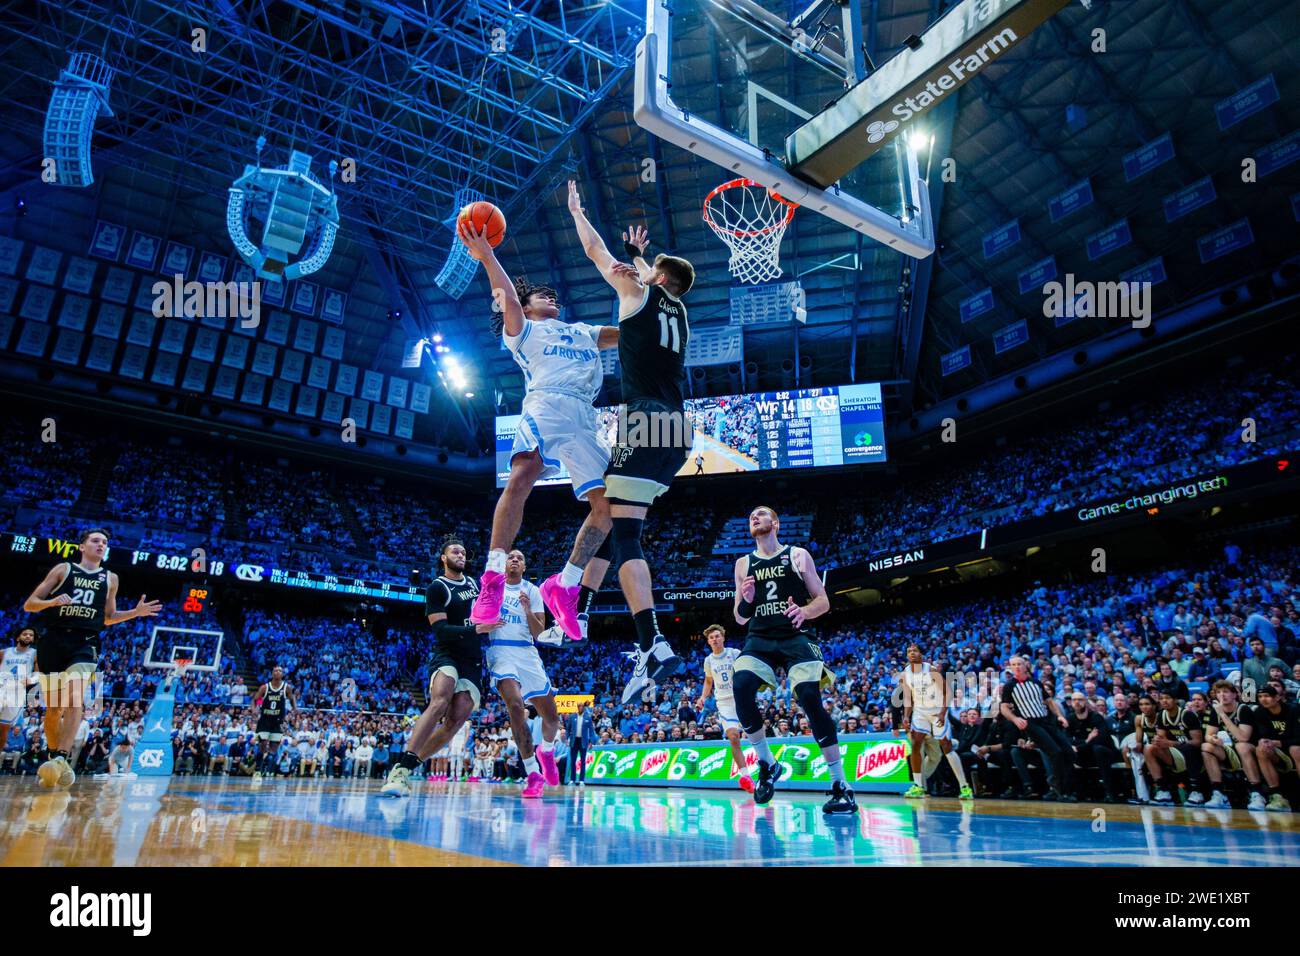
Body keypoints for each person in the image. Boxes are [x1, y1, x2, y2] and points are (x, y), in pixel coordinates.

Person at [457, 223, 618, 645]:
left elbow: (630, 333)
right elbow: (507, 296)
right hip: (546, 402)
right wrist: (488, 256)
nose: (552, 297)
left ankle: (565, 583)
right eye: (541, 295)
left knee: (609, 509)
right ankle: (493, 576)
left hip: (585, 415)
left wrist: (653, 293)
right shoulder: (524, 332)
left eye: (554, 296)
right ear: (526, 308)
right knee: (523, 474)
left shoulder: (583, 331)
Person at [568, 181, 697, 702]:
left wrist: (579, 212)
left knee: (617, 531)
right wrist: (640, 256)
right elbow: (648, 277)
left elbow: (594, 252)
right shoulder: (680, 312)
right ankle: (579, 610)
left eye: (649, 270)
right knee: (627, 530)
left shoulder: (635, 293)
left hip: (642, 419)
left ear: (657, 278)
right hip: (677, 429)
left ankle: (649, 640)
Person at [730, 506, 852, 813]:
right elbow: (739, 619)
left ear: (776, 524)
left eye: (760, 514)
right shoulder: (743, 563)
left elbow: (823, 600)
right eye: (751, 517)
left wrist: (804, 611)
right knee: (741, 683)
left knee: (809, 696)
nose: (754, 518)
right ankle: (767, 763)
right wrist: (745, 602)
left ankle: (840, 785)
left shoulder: (798, 555)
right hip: (760, 638)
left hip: (796, 636)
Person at [22, 528, 162, 788]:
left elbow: (108, 618)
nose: (101, 545)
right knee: (53, 710)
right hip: (53, 640)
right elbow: (30, 604)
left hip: (85, 642)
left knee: (76, 698)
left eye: (105, 542)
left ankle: (62, 758)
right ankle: (54, 758)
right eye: (95, 541)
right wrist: (50, 603)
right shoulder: (63, 570)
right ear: (82, 546)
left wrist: (135, 613)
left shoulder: (110, 578)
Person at [381, 536, 500, 797]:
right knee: (439, 701)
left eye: (464, 551)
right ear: (443, 558)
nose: (461, 554)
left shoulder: (472, 583)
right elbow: (441, 630)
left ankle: (409, 766)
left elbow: (486, 609)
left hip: (472, 658)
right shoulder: (437, 587)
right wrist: (476, 628)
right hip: (447, 652)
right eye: (455, 551)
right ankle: (400, 768)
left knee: (456, 719)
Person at [485, 550, 562, 798]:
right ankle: (532, 773)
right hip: (501, 652)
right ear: (505, 564)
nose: (515, 559)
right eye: (511, 557)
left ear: (525, 566)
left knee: (551, 716)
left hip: (527, 652)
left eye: (519, 557)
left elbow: (539, 634)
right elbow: (477, 618)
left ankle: (547, 751)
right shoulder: (493, 587)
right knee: (516, 706)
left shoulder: (533, 591)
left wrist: (527, 609)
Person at [899, 644, 973, 800]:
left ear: (921, 654)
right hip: (920, 711)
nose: (912, 653)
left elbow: (948, 692)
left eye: (915, 651)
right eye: (909, 651)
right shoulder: (905, 674)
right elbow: (907, 698)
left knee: (946, 747)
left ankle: (964, 786)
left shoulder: (931, 670)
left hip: (937, 710)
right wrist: (906, 716)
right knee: (916, 745)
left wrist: (942, 713)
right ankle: (919, 786)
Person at [999, 656, 1075, 802]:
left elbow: (1049, 701)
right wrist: (1015, 719)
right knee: (1056, 752)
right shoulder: (1009, 685)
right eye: (1013, 665)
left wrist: (1060, 716)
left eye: (1019, 664)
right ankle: (1061, 790)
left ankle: (1057, 783)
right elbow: (1003, 708)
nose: (1016, 667)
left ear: (1025, 665)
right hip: (1030, 723)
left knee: (1069, 753)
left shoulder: (1036, 682)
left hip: (1045, 721)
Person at [695, 624, 753, 793]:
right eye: (711, 637)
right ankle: (745, 775)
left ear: (723, 637)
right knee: (733, 737)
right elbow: (708, 681)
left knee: (755, 733)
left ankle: (766, 764)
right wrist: (703, 697)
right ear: (708, 641)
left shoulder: (734, 653)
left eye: (717, 636)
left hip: (741, 697)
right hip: (724, 702)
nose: (715, 639)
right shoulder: (708, 660)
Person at [1236, 684, 1296, 812]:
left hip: (1292, 747)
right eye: (1260, 696)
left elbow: (1297, 736)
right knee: (1261, 748)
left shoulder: (1293, 710)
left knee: (1296, 749)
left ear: (1277, 697)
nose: (1263, 699)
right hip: (1278, 752)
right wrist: (1267, 742)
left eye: (1267, 696)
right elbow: (1263, 735)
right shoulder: (1260, 712)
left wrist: (1279, 742)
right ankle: (1277, 796)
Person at [1145, 690, 1207, 805]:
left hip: (1194, 755)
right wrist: (1157, 741)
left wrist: (1171, 742)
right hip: (1174, 754)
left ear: (1175, 700)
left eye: (1167, 698)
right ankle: (1163, 789)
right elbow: (1161, 739)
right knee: (1149, 748)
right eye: (1162, 698)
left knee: (1189, 748)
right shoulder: (1161, 716)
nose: (1164, 701)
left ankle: (1196, 791)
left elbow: (1197, 742)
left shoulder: (1187, 715)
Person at [1200, 680, 1252, 809]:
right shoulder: (1215, 710)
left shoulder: (1243, 709)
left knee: (1241, 746)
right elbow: (1208, 735)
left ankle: (1256, 792)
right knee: (1206, 746)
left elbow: (1243, 737)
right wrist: (1213, 739)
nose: (1222, 695)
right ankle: (1218, 793)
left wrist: (1222, 714)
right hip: (1231, 752)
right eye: (1218, 692)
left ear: (1234, 695)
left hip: (1250, 751)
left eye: (1226, 692)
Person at [1065, 691, 1120, 802]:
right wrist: (1087, 740)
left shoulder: (1096, 717)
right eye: (1074, 700)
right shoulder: (1070, 718)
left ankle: (1110, 793)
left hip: (1106, 754)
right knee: (1065, 753)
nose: (1077, 702)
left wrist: (1079, 745)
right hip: (1085, 754)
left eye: (1080, 700)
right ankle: (1073, 792)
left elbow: (1100, 740)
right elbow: (1067, 740)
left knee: (1097, 749)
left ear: (1085, 702)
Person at [252, 666, 296, 779]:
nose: (278, 672)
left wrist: (294, 708)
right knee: (262, 745)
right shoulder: (265, 687)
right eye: (276, 670)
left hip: (278, 721)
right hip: (265, 719)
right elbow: (255, 699)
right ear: (272, 673)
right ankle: (257, 770)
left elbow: (292, 698)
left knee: (273, 748)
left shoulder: (286, 688)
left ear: (282, 674)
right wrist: (254, 709)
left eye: (280, 671)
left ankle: (265, 767)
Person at [0, 627, 38, 756]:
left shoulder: (34, 654)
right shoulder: (4, 652)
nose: (28, 636)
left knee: (4, 729)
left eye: (31, 635)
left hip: (17, 693)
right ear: (18, 637)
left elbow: (38, 673)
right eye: (25, 634)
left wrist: (31, 680)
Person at [566, 700, 594, 785]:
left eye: (582, 706)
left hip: (583, 741)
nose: (581, 707)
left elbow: (591, 731)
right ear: (577, 707)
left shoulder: (588, 717)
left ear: (584, 708)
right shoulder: (572, 716)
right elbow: (568, 729)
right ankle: (572, 779)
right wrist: (567, 739)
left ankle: (582, 780)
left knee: (582, 761)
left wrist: (591, 742)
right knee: (573, 761)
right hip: (574, 741)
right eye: (579, 706)